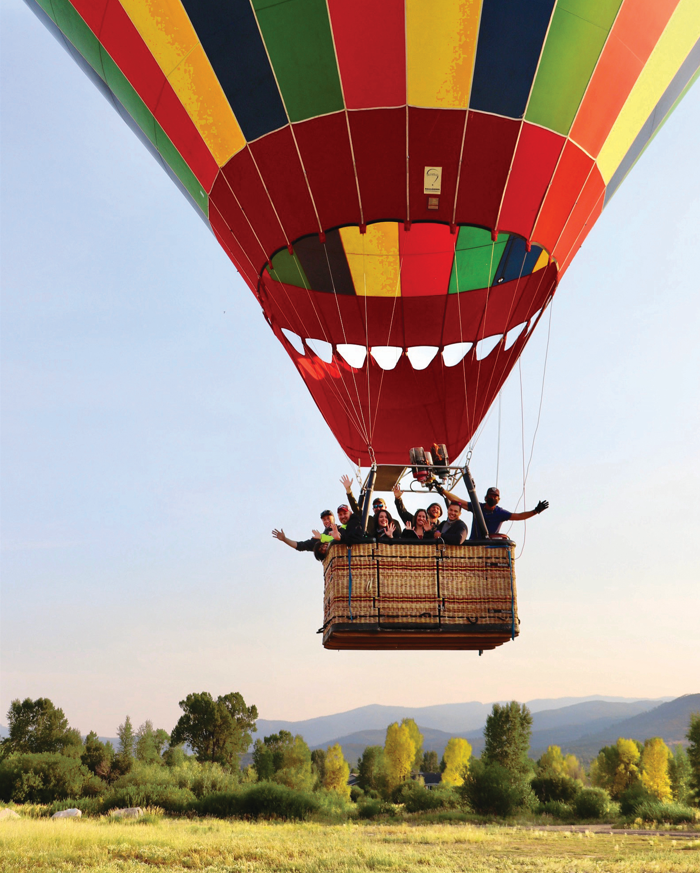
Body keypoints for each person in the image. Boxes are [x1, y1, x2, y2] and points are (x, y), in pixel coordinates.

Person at [438, 485, 549, 540]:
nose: (493, 498)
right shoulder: (477, 507)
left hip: (489, 545)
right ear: (486, 498)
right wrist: (442, 490)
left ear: (498, 500)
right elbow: (458, 501)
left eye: (495, 497)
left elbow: (519, 516)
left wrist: (535, 511)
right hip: (474, 543)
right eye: (491, 496)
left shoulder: (500, 513)